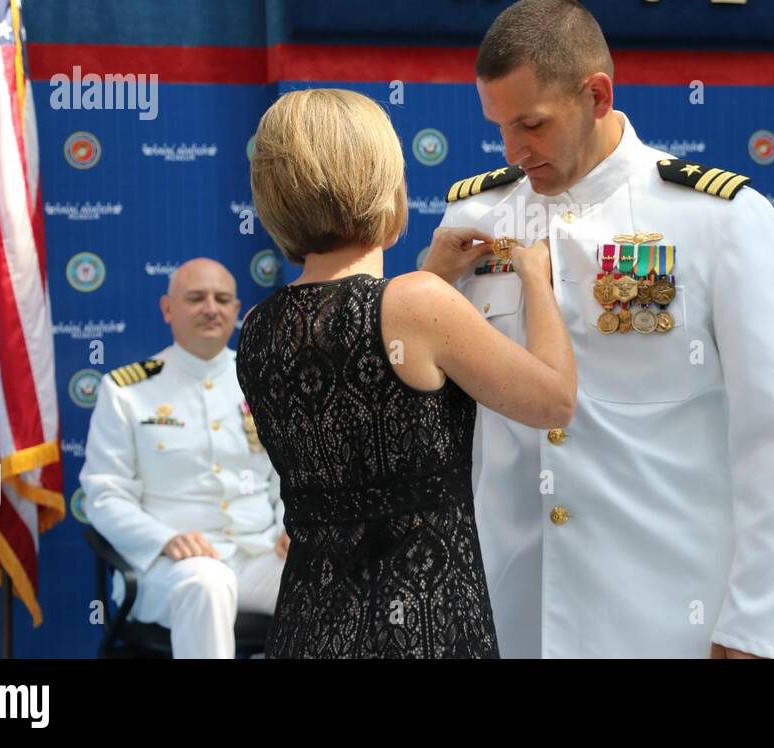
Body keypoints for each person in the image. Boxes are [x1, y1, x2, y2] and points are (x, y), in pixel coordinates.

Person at [437, 0, 774, 658]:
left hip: (670, 611)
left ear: (596, 94)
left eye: (531, 123)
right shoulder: (478, 219)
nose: (514, 149)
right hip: (515, 606)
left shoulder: (721, 219)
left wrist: (756, 624)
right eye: (499, 126)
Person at [237, 87, 576, 658]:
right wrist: (537, 280)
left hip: (306, 628)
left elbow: (362, 362)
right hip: (424, 626)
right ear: (384, 187)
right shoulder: (415, 301)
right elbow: (554, 400)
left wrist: (433, 275)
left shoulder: (260, 326)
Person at [80, 258, 286, 659]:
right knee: (206, 584)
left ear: (236, 310)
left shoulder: (264, 382)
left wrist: (290, 526)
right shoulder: (127, 391)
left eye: (222, 299)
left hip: (257, 553)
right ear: (167, 309)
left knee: (327, 575)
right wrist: (164, 539)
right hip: (170, 567)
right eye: (196, 298)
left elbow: (286, 477)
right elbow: (104, 495)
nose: (211, 308)